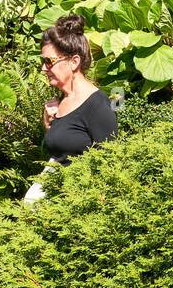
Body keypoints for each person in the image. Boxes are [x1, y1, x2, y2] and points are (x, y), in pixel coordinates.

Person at [21, 17, 118, 201]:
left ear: (74, 62)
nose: (43, 68)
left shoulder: (98, 105)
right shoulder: (62, 100)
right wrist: (48, 126)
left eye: (49, 61)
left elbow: (110, 166)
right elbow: (63, 151)